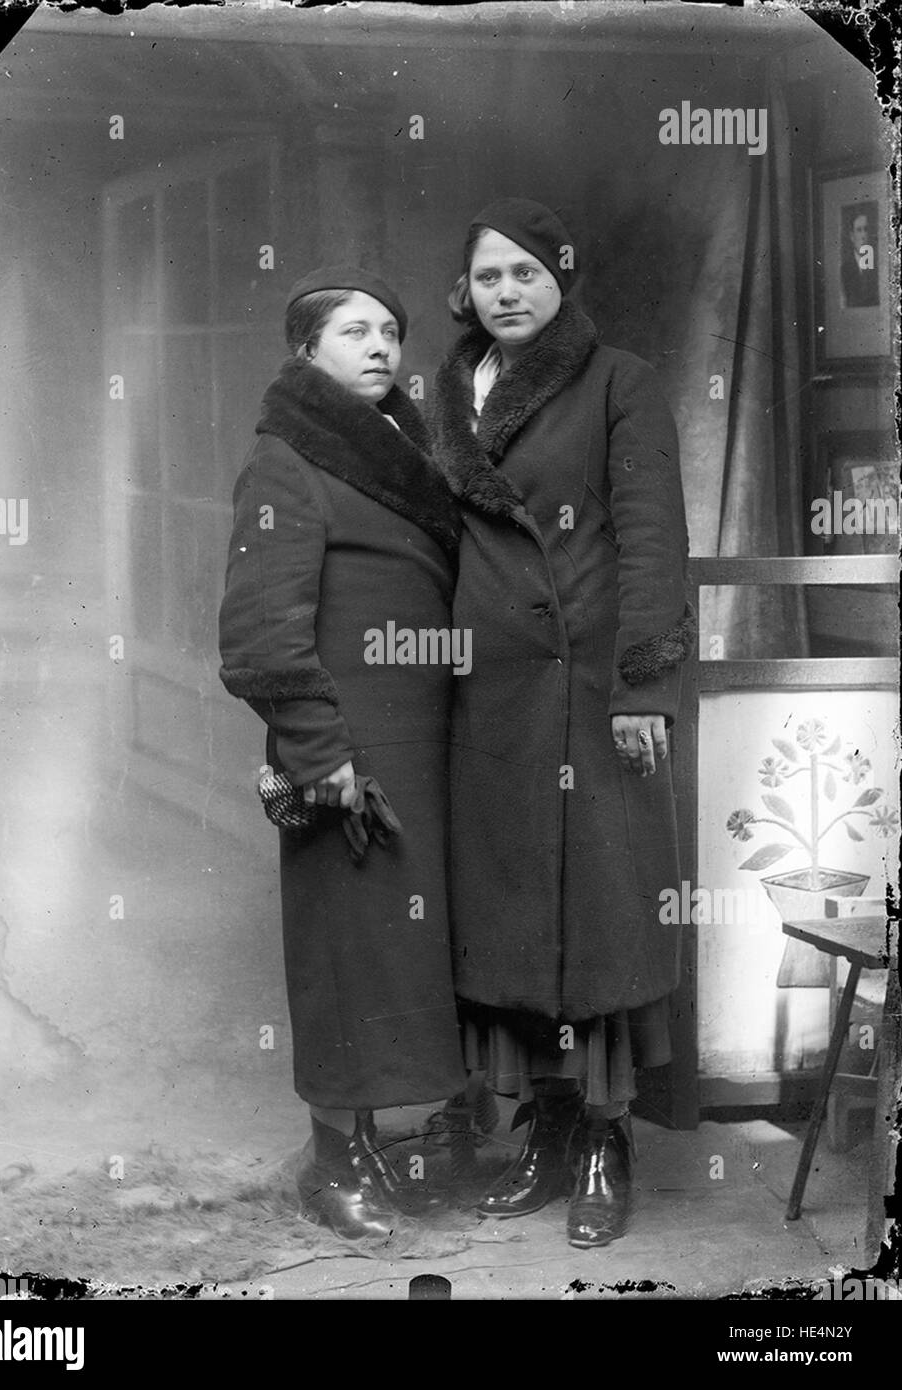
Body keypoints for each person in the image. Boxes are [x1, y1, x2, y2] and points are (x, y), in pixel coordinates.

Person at [430, 199, 695, 1248]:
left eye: (527, 274)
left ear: (561, 280)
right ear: (467, 290)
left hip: (590, 694)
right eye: (490, 276)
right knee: (512, 912)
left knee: (599, 914)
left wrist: (644, 689)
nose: (508, 292)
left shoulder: (620, 380)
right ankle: (542, 1130)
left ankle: (602, 1140)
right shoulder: (450, 391)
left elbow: (654, 538)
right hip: (490, 695)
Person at [218, 266, 466, 1239]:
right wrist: (321, 755)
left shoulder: (405, 453)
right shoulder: (287, 460)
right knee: (344, 957)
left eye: (391, 332)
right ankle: (335, 1157)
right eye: (355, 331)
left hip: (424, 745)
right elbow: (259, 635)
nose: (380, 346)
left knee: (402, 958)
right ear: (306, 353)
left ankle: (393, 1141)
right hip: (344, 753)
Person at [840, 208, 878, 309]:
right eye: (859, 230)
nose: (863, 235)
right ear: (852, 236)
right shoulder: (845, 268)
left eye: (866, 229)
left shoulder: (877, 265)